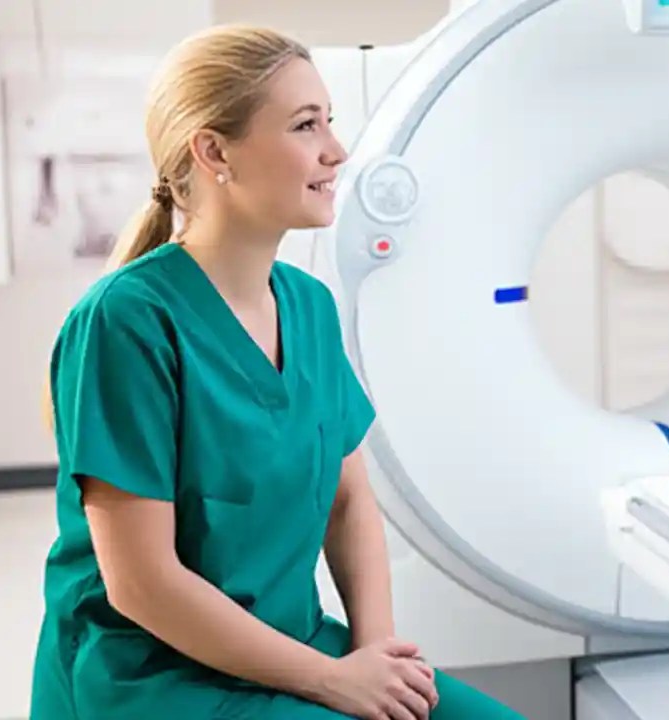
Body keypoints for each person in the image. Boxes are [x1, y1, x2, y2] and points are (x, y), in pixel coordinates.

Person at [30, 25, 523, 720]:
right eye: (304, 125)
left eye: (330, 120)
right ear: (214, 151)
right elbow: (141, 585)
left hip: (292, 643)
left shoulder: (309, 306)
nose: (336, 149)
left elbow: (351, 502)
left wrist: (373, 660)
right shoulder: (126, 321)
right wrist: (331, 683)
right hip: (153, 673)